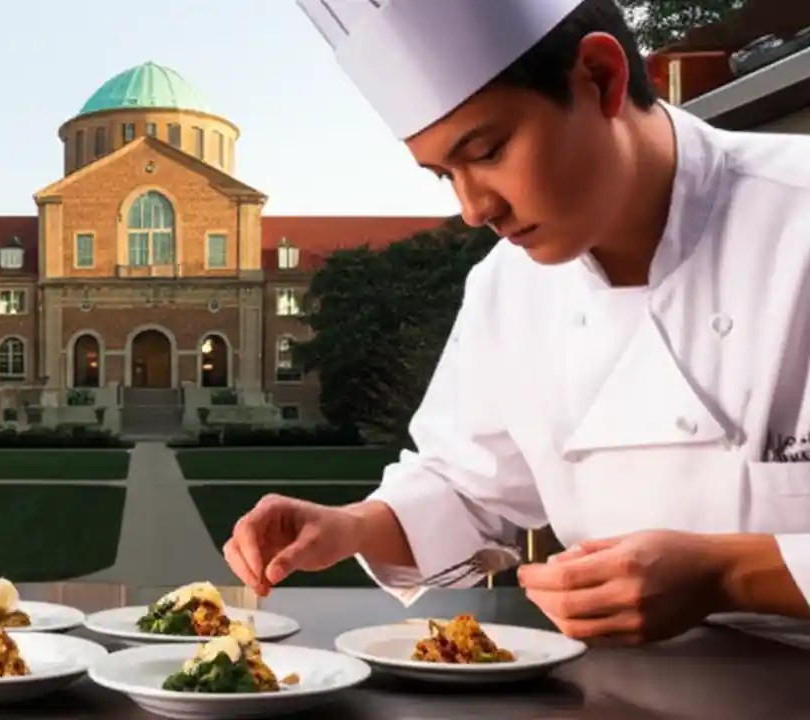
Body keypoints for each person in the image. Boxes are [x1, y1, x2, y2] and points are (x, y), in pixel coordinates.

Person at [225, 0, 810, 646]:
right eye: (445, 174)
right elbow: (465, 485)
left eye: (489, 150)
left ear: (600, 78)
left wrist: (729, 575)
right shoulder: (507, 285)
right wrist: (349, 526)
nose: (475, 208)